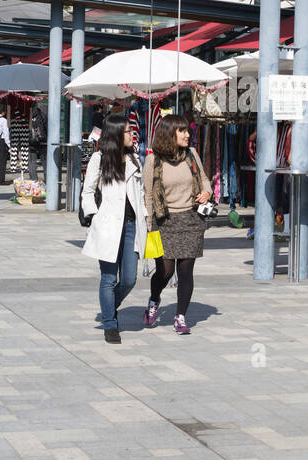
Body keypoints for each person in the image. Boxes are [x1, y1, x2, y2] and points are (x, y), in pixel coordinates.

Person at [81, 113, 147, 345]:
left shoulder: (134, 159)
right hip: (108, 226)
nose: (132, 134)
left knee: (129, 278)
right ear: (117, 134)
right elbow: (87, 192)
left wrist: (146, 218)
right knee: (108, 278)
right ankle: (110, 324)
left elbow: (141, 195)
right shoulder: (99, 159)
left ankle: (109, 306)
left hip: (131, 226)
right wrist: (95, 215)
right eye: (128, 131)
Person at [142, 115, 211, 336]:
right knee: (165, 270)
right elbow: (148, 196)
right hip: (163, 221)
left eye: (187, 131)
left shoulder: (192, 155)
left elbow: (204, 178)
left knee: (185, 271)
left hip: (191, 220)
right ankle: (154, 300)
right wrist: (149, 226)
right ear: (169, 133)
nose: (187, 135)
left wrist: (207, 192)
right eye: (182, 131)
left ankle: (180, 317)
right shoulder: (154, 161)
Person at [27, 104, 46, 181]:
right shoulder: (42, 115)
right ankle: (47, 180)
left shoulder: (27, 116)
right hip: (43, 141)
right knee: (45, 162)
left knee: (31, 162)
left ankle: (33, 179)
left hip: (31, 142)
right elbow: (47, 127)